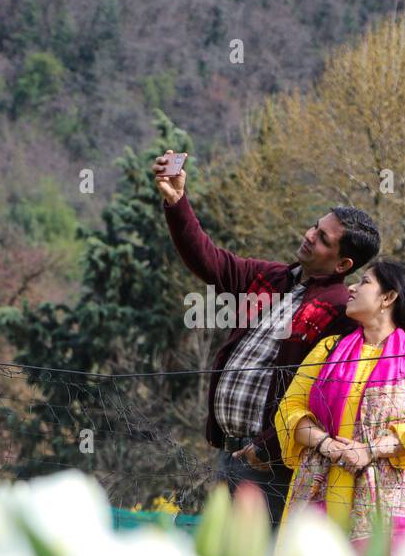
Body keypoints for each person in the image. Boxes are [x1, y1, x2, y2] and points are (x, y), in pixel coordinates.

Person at [153, 149, 381, 529]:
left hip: (271, 465)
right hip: (230, 450)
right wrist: (177, 202)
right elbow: (209, 260)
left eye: (323, 238)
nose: (309, 236)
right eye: (314, 226)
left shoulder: (343, 310)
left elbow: (324, 394)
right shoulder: (273, 278)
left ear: (343, 265)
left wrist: (269, 446)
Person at [275, 260, 405, 552]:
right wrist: (326, 444)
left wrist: (369, 450)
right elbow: (289, 408)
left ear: (389, 297)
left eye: (365, 282)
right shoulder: (328, 349)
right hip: (320, 493)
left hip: (385, 502)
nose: (352, 288)